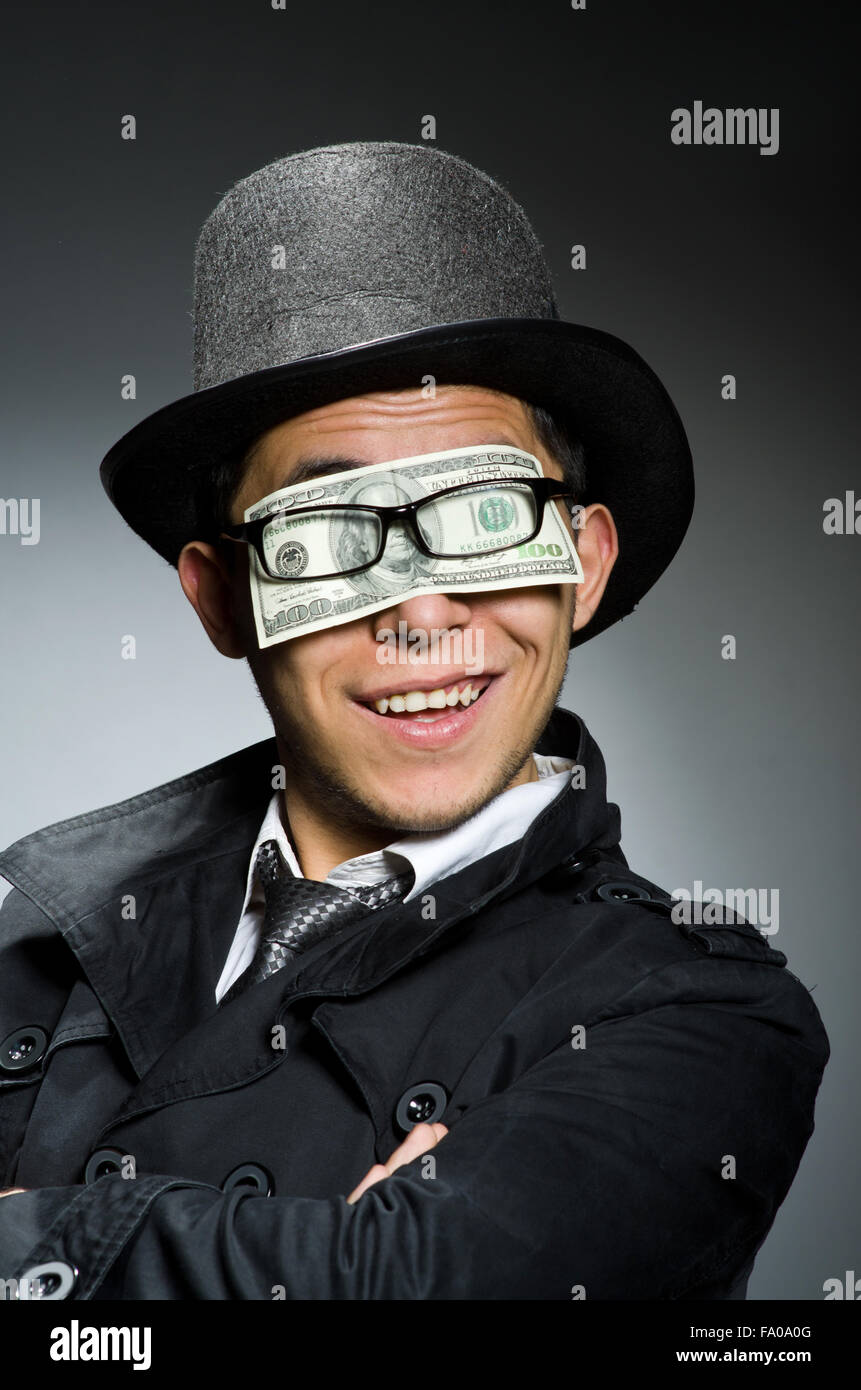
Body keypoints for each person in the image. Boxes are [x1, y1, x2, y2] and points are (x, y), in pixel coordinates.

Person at [0, 141, 828, 1301]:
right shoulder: (30, 947)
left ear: (584, 564)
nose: (422, 614)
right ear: (224, 597)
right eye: (327, 536)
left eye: (489, 513)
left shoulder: (700, 1020)